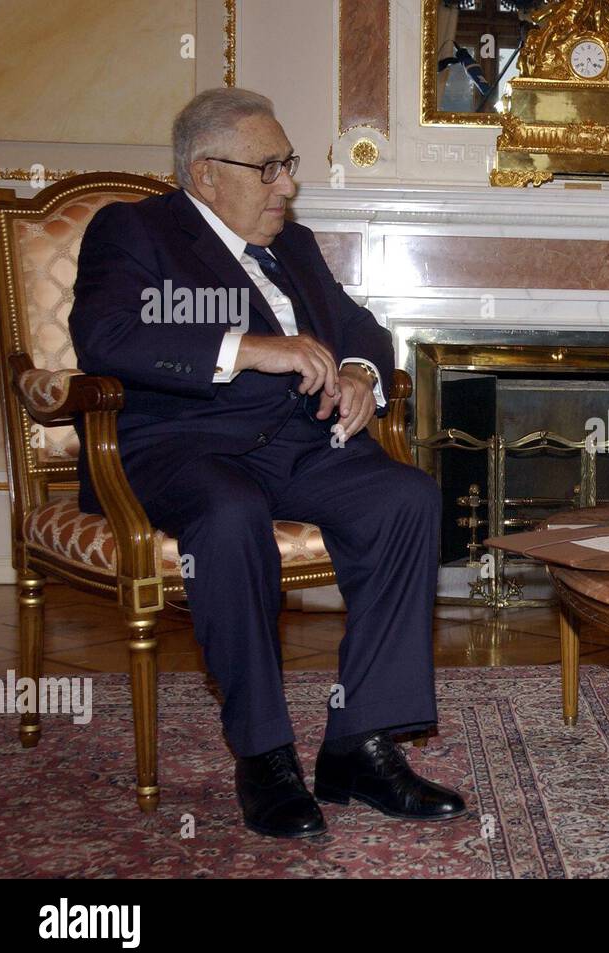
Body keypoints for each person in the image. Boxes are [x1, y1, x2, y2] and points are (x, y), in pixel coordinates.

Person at [70, 88, 466, 838]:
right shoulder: (136, 231)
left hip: (298, 445)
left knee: (406, 498)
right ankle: (264, 754)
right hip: (183, 446)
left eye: (288, 164)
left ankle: (360, 743)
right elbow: (107, 336)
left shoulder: (296, 245)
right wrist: (250, 347)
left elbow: (361, 329)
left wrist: (358, 374)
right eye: (270, 167)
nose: (287, 183)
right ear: (205, 172)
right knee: (229, 515)